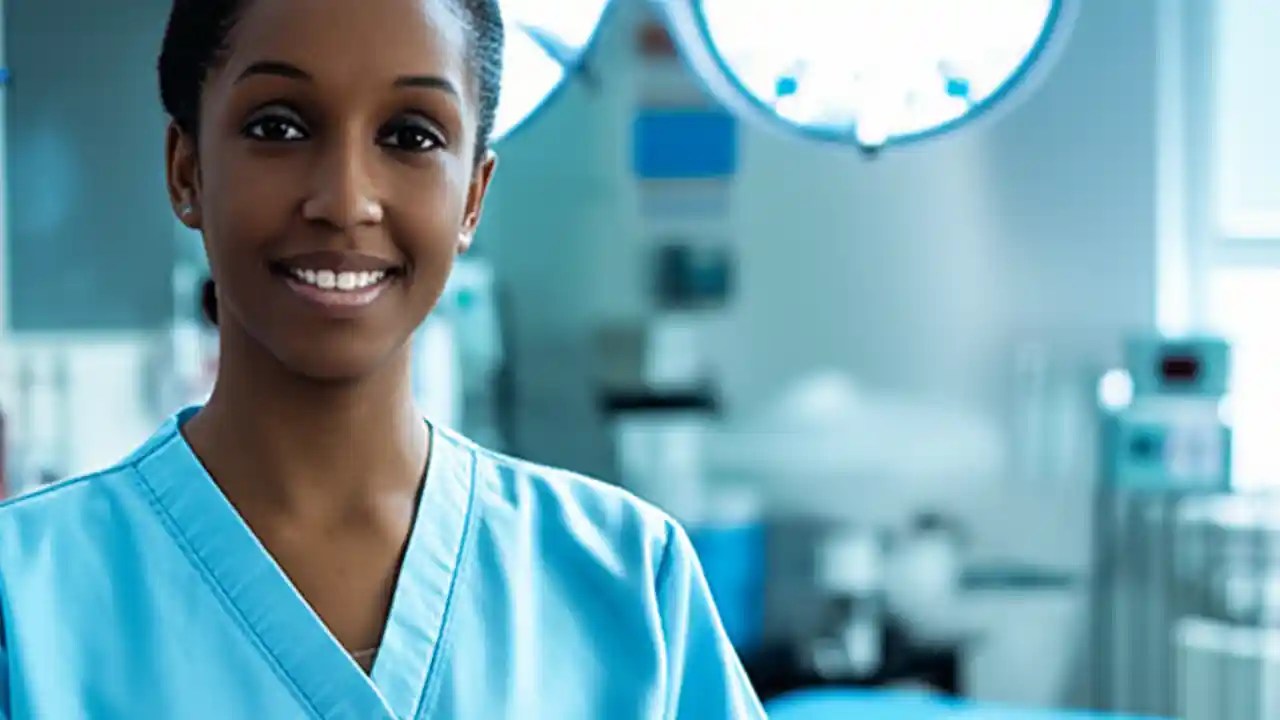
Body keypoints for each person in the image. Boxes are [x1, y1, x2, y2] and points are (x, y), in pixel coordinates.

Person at [0, 1, 764, 717]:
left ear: (473, 197)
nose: (345, 199)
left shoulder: (631, 586)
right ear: (186, 169)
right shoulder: (23, 604)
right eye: (279, 127)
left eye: (410, 136)